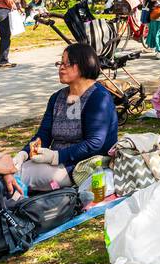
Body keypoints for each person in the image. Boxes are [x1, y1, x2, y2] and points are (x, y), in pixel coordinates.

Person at [14, 44, 118, 191]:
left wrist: (55, 156)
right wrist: (24, 153)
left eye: (66, 63)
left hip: (83, 167)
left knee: (20, 175)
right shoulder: (57, 98)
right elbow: (43, 134)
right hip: (56, 162)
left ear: (84, 65)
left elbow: (95, 143)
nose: (61, 68)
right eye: (60, 63)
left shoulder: (99, 98)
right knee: (12, 168)